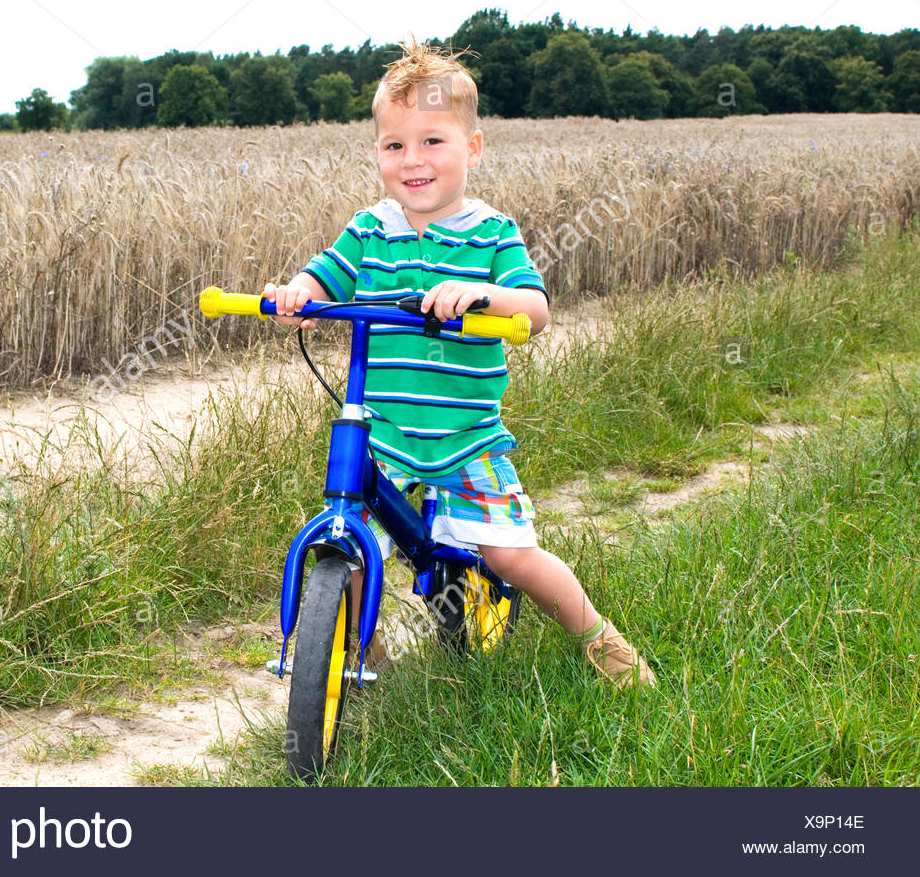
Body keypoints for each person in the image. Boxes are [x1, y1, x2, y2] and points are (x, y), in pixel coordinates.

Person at [262, 40, 655, 689]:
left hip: (465, 437)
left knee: (511, 554)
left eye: (433, 142)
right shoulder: (370, 229)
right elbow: (324, 275)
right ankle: (361, 649)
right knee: (348, 536)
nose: (412, 160)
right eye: (394, 146)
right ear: (377, 154)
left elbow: (534, 308)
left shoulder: (491, 233)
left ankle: (601, 639)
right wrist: (301, 293)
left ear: (472, 148)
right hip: (383, 428)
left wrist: (481, 296)